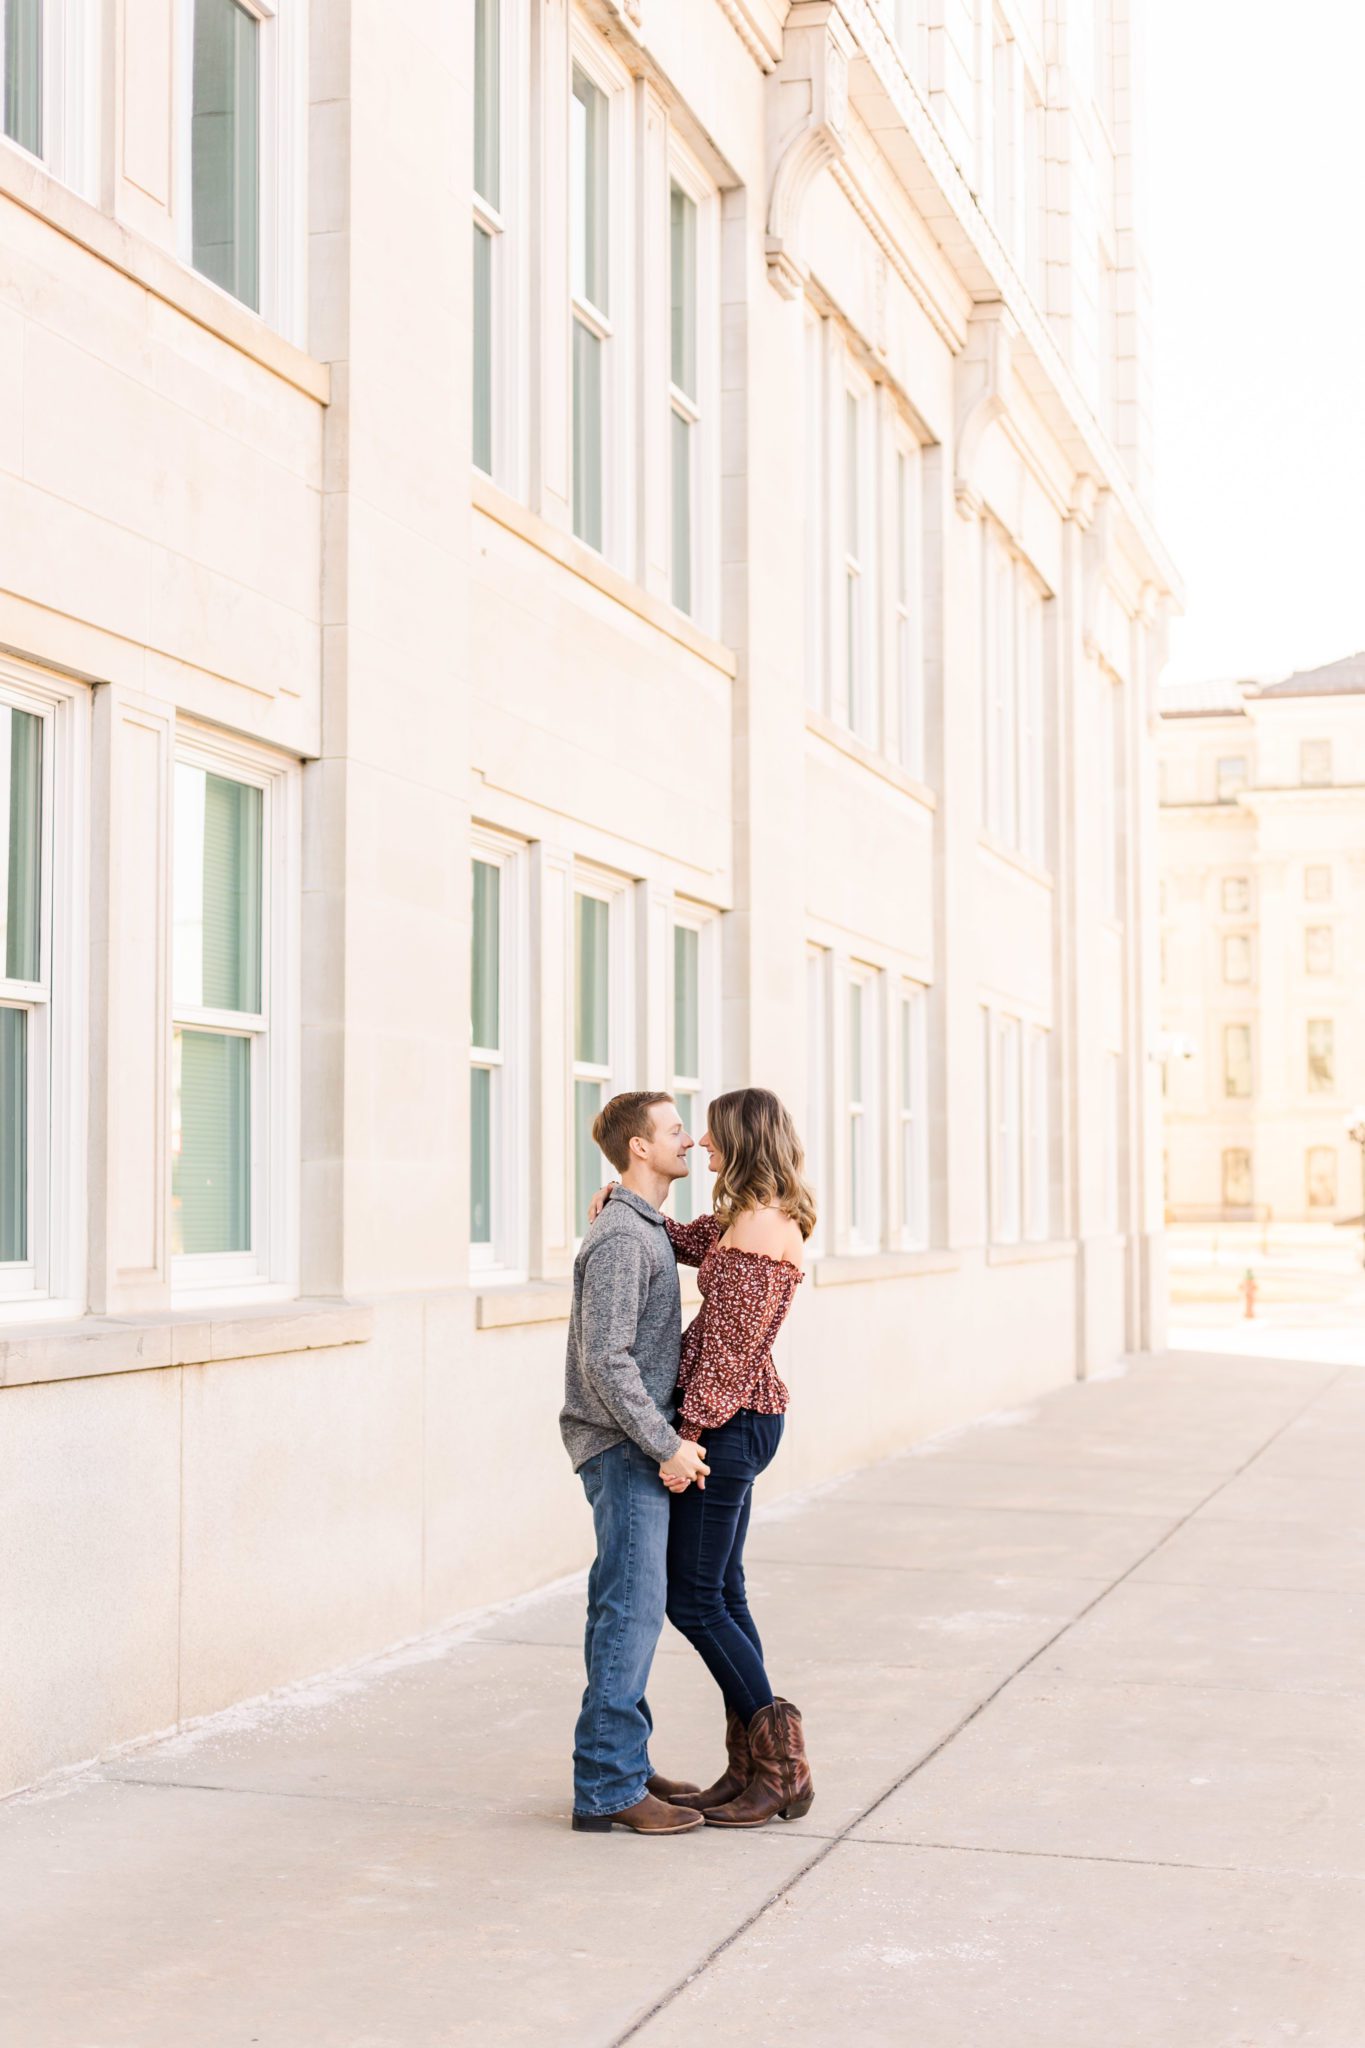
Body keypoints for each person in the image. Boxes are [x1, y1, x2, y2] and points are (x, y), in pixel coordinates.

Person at [589, 1086, 817, 1828]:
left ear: (742, 1139)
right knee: (725, 1592)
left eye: (712, 1133)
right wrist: (625, 1204)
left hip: (727, 1421)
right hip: (738, 1417)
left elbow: (727, 1354)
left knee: (694, 1599)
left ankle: (782, 1767)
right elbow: (685, 1241)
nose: (701, 1143)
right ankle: (748, 1766)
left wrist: (679, 1443)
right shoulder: (744, 1216)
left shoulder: (760, 1224)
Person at [559, 1091, 711, 1835]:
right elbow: (606, 1360)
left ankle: (624, 1763)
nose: (689, 1139)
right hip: (624, 1448)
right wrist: (667, 1444)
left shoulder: (641, 1225)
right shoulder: (623, 1237)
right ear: (638, 1147)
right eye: (675, 1129)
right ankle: (608, 1788)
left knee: (626, 1611)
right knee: (630, 1611)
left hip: (632, 1444)